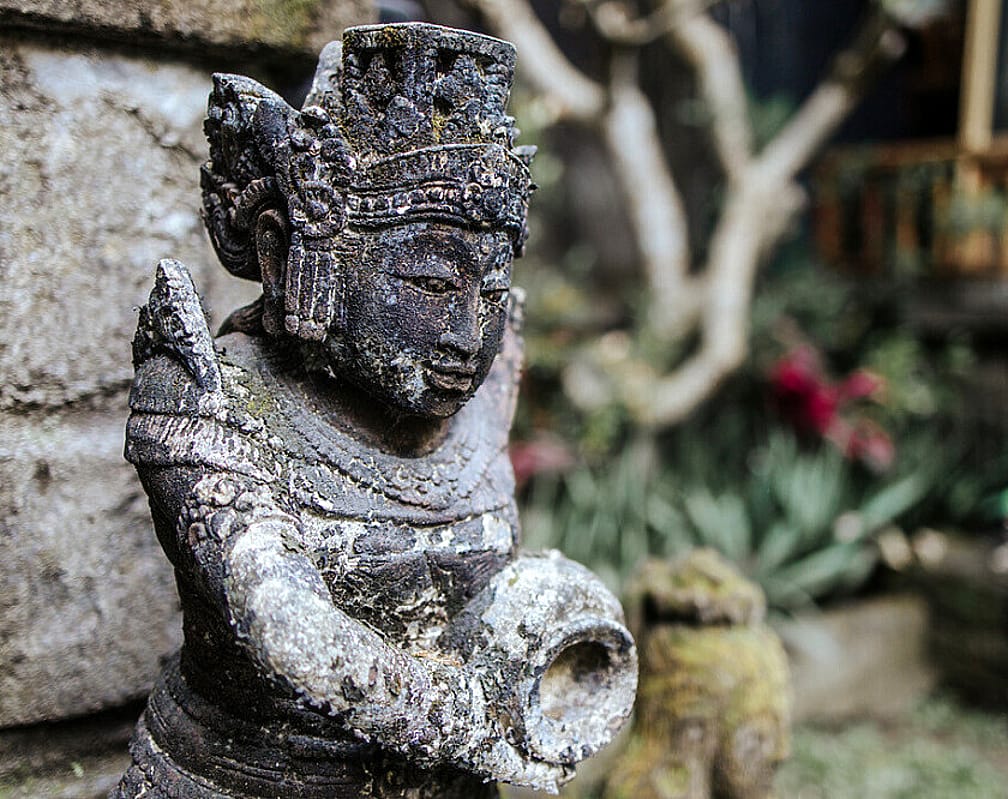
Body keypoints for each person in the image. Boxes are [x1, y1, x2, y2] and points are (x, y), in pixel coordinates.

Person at [113, 23, 635, 799]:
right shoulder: (205, 399)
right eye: (430, 286)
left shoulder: (484, 392)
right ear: (285, 251)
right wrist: (474, 725)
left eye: (490, 294)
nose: (468, 335)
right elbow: (286, 626)